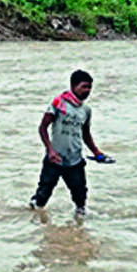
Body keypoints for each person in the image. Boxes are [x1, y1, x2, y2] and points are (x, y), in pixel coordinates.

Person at [30, 70, 108, 215]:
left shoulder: (86, 110)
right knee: (41, 198)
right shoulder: (58, 103)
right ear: (73, 85)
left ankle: (79, 228)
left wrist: (97, 152)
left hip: (75, 160)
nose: (87, 91)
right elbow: (42, 128)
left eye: (90, 87)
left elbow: (85, 134)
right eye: (84, 86)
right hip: (55, 159)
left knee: (80, 198)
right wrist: (50, 150)